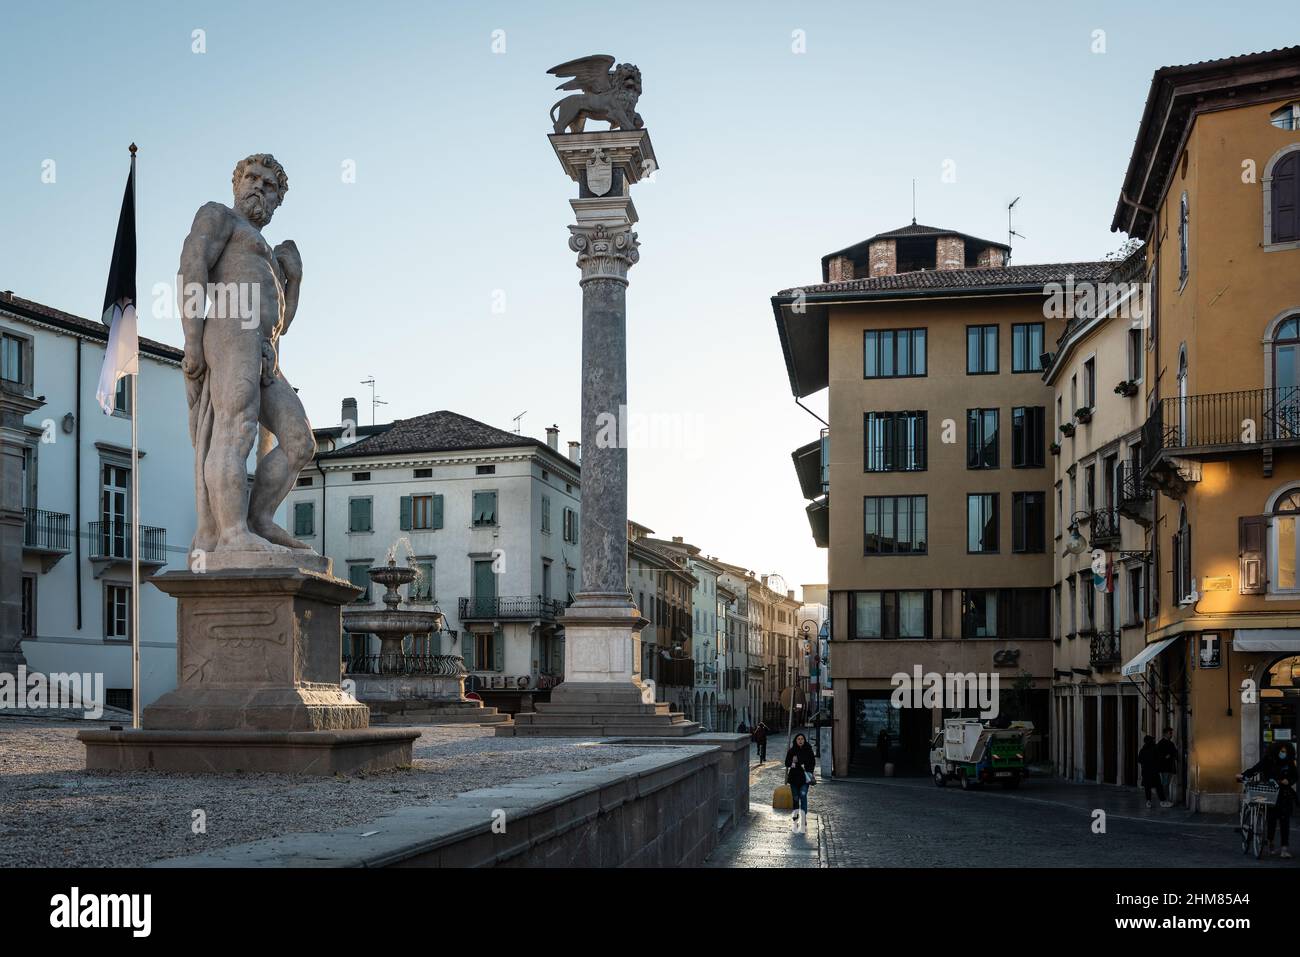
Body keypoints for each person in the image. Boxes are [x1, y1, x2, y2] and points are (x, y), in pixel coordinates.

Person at [1238, 742, 1299, 858]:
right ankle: (1270, 843)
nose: (1283, 754)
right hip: (1270, 794)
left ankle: (1284, 848)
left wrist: (1289, 781)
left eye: (1285, 752)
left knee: (1285, 822)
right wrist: (1244, 775)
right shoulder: (1268, 760)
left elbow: (1295, 776)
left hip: (1284, 795)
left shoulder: (1289, 762)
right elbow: (1255, 769)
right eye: (1282, 751)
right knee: (1271, 820)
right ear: (1276, 751)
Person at [786, 732, 817, 832]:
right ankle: (795, 817)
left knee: (803, 795)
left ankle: (803, 818)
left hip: (805, 778)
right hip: (794, 778)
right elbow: (787, 763)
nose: (800, 741)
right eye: (798, 739)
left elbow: (813, 762)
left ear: (804, 740)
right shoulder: (792, 751)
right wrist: (793, 763)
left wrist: (809, 770)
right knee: (795, 798)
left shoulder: (808, 750)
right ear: (796, 740)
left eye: (802, 739)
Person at [1137, 735, 1171, 808]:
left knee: (1147, 787)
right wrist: (1165, 757)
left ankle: (1148, 802)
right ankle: (1162, 801)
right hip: (1153, 771)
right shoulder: (1154, 749)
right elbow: (1159, 758)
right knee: (1158, 787)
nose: (1154, 741)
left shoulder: (1142, 750)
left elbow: (1140, 760)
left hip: (1145, 772)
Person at [1156, 727, 1179, 805]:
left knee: (1167, 784)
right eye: (1170, 733)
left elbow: (1175, 753)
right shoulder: (1160, 743)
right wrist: (1165, 757)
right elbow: (1158, 755)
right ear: (1165, 734)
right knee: (1165, 784)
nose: (1171, 735)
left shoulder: (1171, 743)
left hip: (1170, 767)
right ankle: (1164, 800)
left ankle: (1165, 799)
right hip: (1164, 767)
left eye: (1171, 733)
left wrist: (1173, 755)